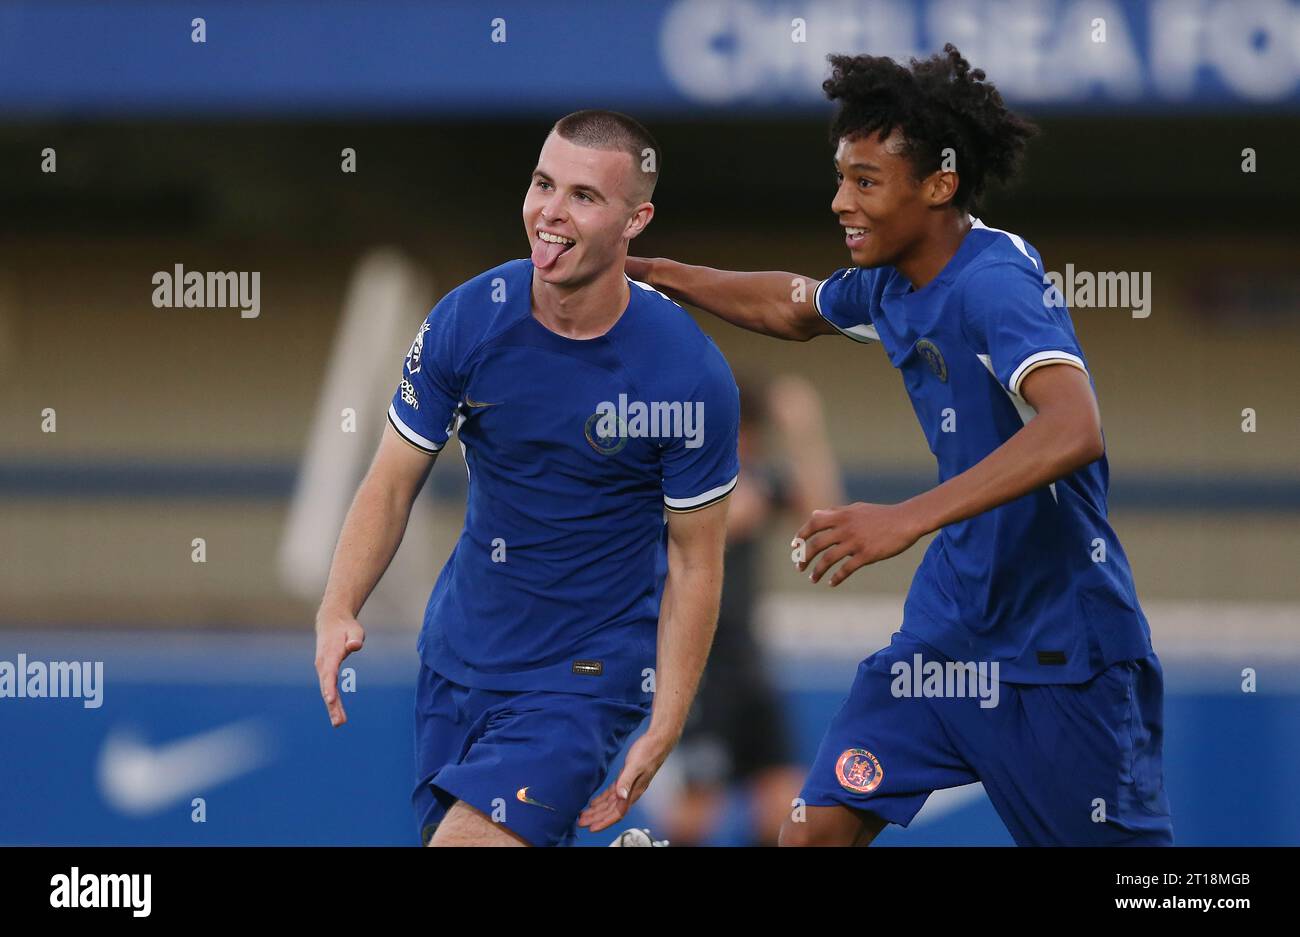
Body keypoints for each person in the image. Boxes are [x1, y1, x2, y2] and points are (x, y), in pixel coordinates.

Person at [626, 46, 1173, 846]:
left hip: (1064, 653)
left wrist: (907, 519)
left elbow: (1074, 426)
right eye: (842, 177)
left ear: (939, 184)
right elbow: (792, 305)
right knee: (812, 831)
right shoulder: (890, 281)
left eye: (866, 181)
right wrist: (654, 270)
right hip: (947, 637)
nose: (841, 200)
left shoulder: (996, 283)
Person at [314, 109, 740, 847]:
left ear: (636, 219)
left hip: (583, 675)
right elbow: (391, 480)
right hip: (456, 657)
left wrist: (665, 722)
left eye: (583, 196)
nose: (550, 211)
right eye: (544, 183)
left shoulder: (687, 373)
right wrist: (339, 603)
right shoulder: (469, 319)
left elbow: (696, 561)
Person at [662, 376, 843, 846]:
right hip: (702, 666)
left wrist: (804, 429)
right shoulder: (685, 479)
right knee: (694, 815)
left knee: (782, 806)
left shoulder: (760, 479)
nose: (749, 442)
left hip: (749, 662)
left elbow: (824, 514)